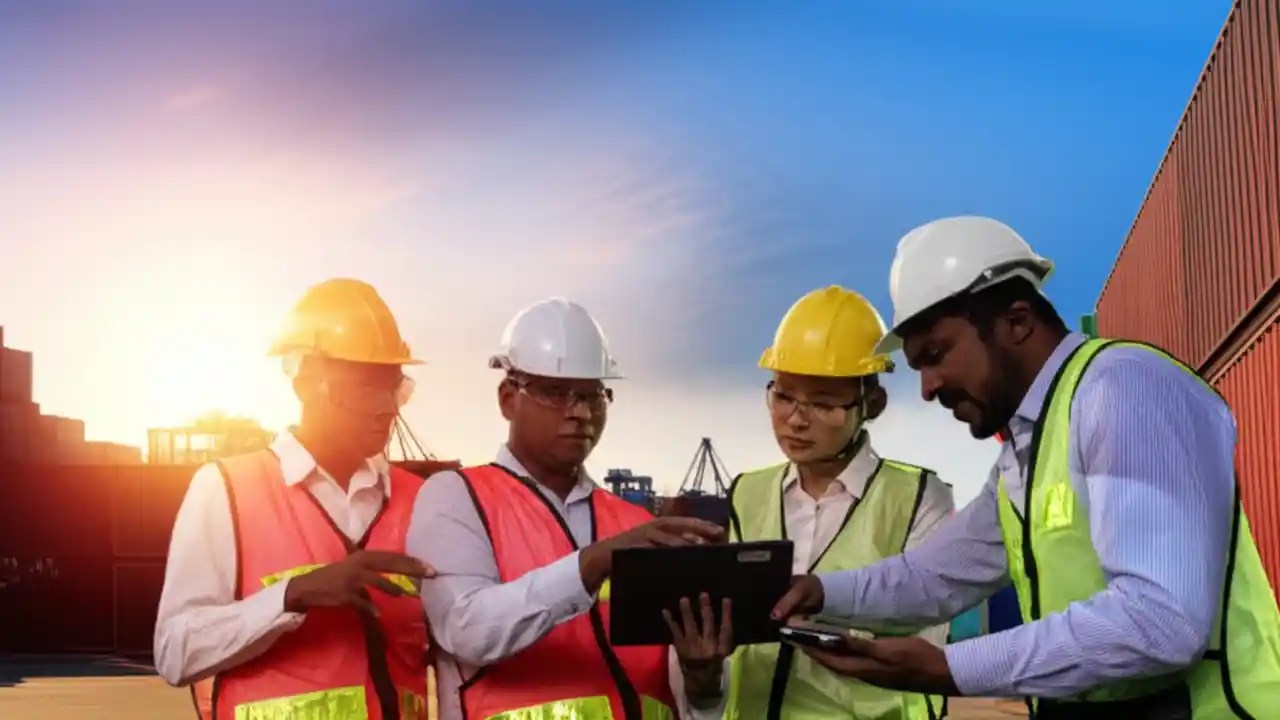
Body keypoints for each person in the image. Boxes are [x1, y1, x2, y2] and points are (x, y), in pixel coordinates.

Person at [773, 216, 1280, 719]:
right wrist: (818, 593)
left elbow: (1161, 622)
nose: (927, 388)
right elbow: (935, 576)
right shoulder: (1026, 449)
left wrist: (950, 669)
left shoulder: (1123, 391)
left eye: (936, 354)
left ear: (1016, 322)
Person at [407, 297, 728, 720]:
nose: (580, 413)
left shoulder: (635, 523)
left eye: (593, 395)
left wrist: (702, 680)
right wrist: (591, 564)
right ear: (507, 398)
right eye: (556, 394)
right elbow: (466, 630)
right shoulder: (456, 497)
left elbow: (676, 694)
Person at [154, 278, 436, 720]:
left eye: (395, 385)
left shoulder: (419, 499)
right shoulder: (226, 488)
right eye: (367, 385)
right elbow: (175, 651)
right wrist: (292, 596)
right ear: (307, 383)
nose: (390, 406)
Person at [678, 285, 956, 720]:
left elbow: (923, 645)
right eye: (783, 396)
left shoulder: (919, 498)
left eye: (823, 404)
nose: (796, 419)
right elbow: (729, 662)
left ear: (873, 405)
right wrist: (703, 674)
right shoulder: (746, 493)